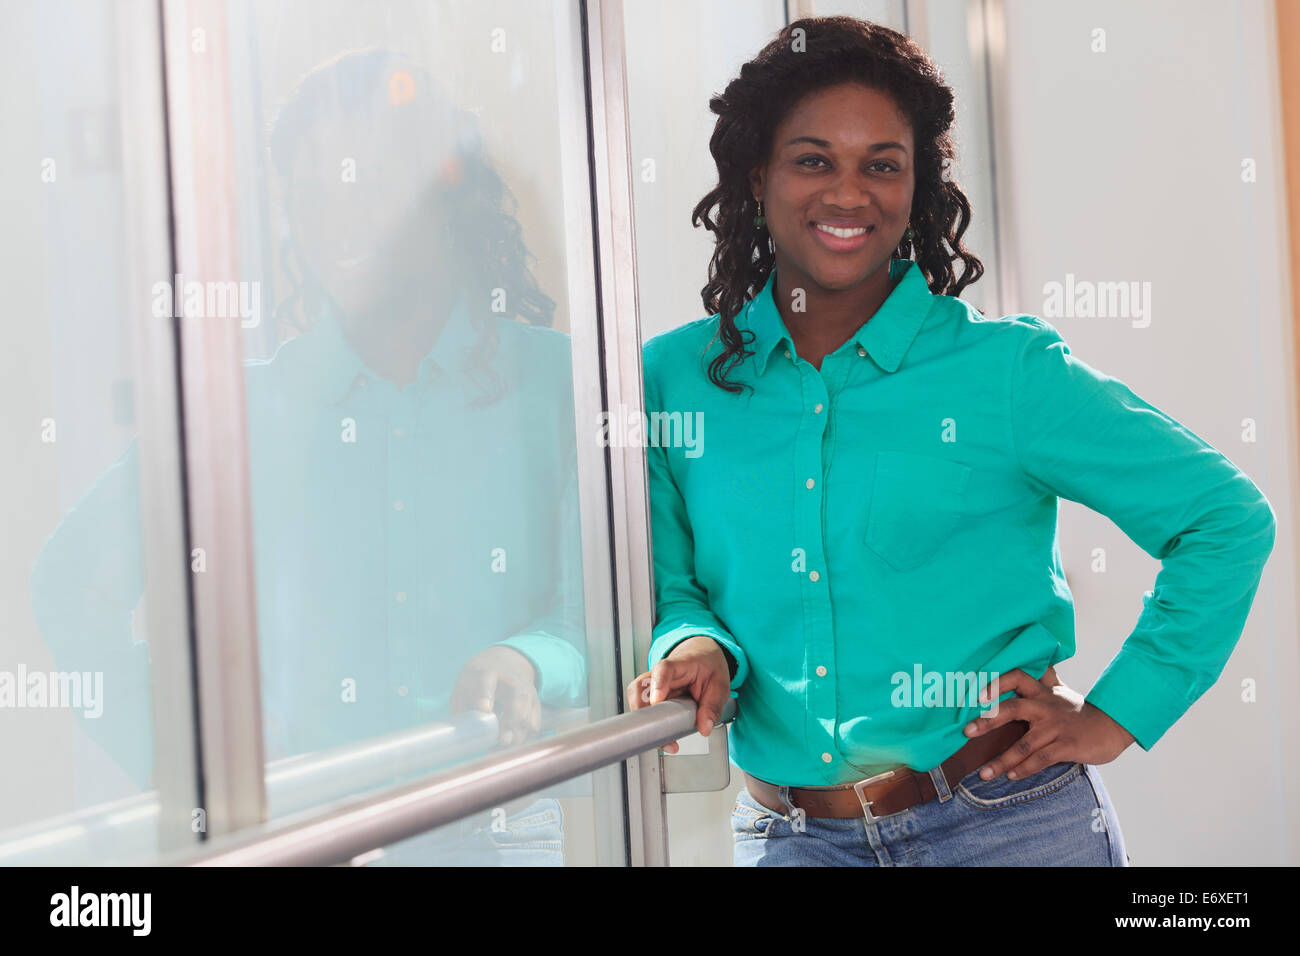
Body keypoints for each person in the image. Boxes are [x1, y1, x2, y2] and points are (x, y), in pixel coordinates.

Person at [625, 16, 1276, 867]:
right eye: (813, 161)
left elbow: (1225, 517)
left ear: (917, 186)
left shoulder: (1004, 372)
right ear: (757, 176)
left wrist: (1118, 714)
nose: (849, 195)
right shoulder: (673, 379)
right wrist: (691, 644)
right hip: (791, 840)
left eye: (882, 165)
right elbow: (673, 586)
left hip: (1008, 827)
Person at [30, 49, 585, 865]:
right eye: (310, 192)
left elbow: (602, 610)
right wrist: (188, 756)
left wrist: (528, 659)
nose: (336, 218)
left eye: (367, 181)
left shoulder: (559, 384)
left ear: (446, 194)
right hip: (301, 838)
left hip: (500, 833)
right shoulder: (238, 410)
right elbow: (70, 584)